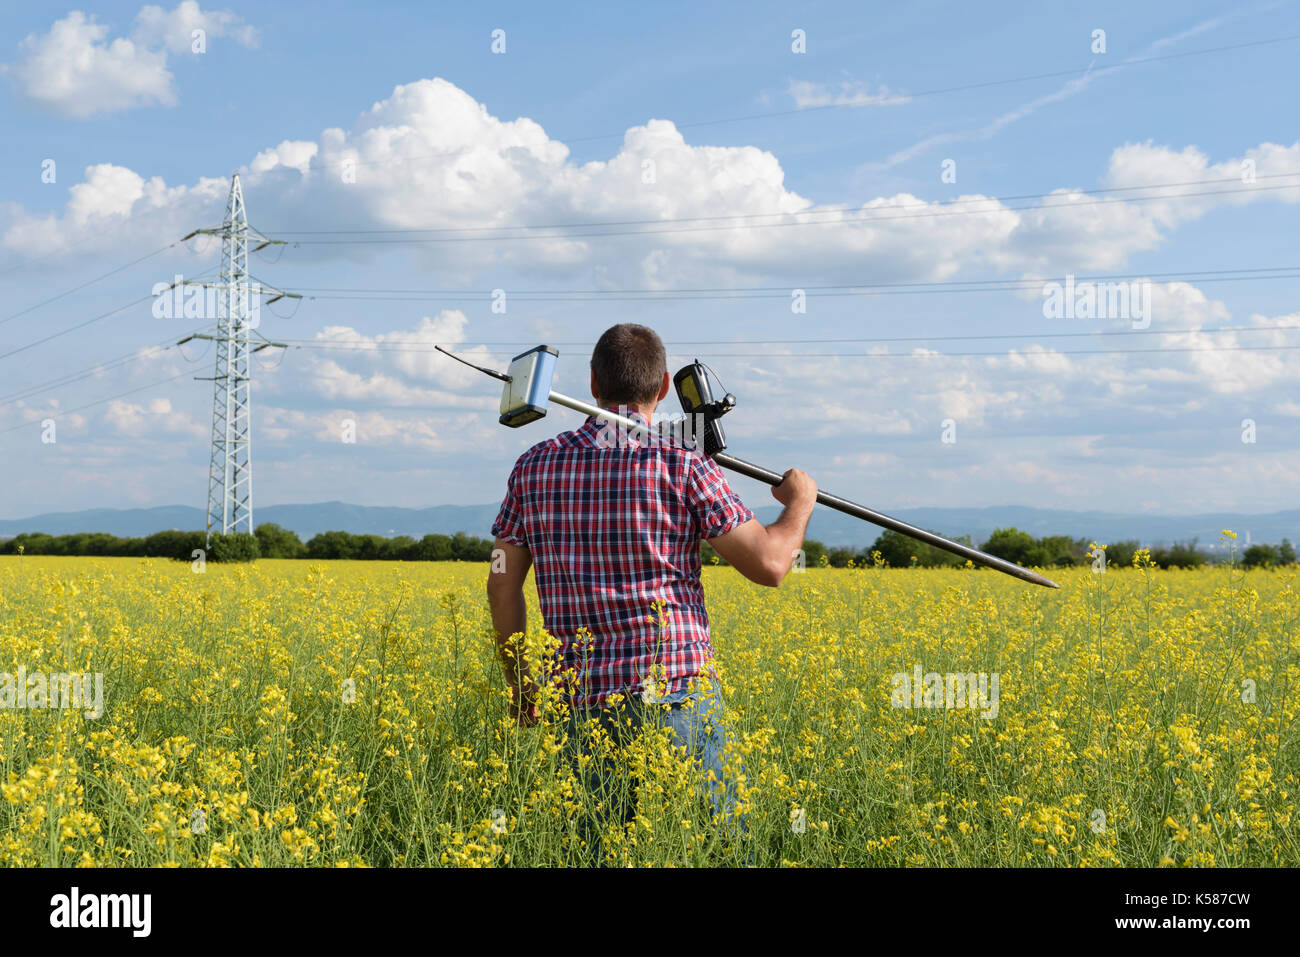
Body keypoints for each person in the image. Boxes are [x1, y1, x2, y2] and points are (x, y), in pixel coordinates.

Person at [486, 322, 816, 863]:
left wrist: (523, 686)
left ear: (592, 383)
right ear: (664, 387)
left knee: (597, 854)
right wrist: (800, 500)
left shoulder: (533, 467)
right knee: (723, 851)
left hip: (580, 700)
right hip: (678, 694)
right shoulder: (684, 462)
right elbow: (773, 564)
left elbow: (502, 583)